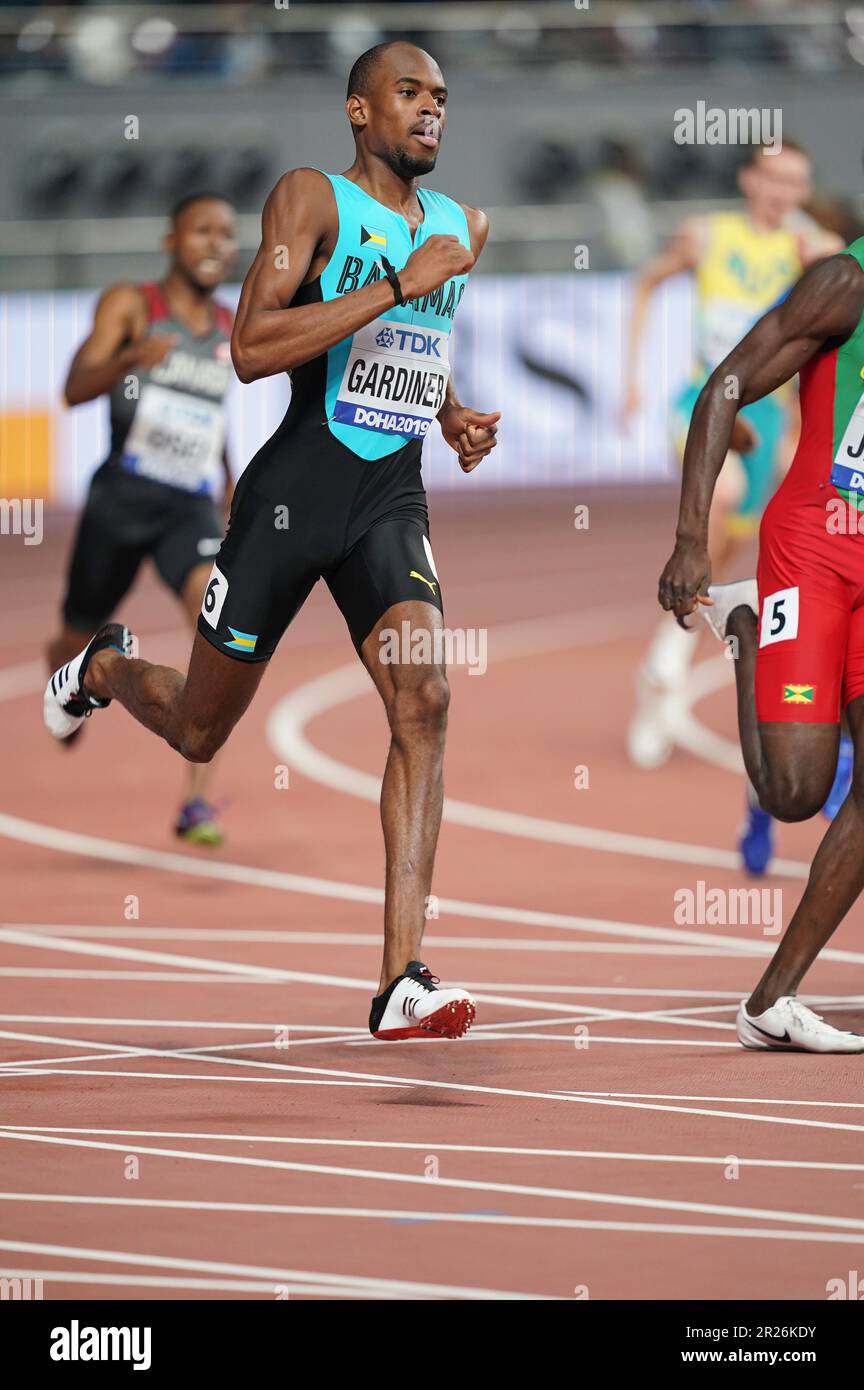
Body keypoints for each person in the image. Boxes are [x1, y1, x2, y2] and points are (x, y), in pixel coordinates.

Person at [43, 41, 500, 1041]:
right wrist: (392, 285)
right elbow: (251, 347)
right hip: (289, 500)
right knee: (202, 730)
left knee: (424, 697)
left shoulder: (462, 226)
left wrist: (453, 411)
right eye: (409, 94)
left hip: (390, 498)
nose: (430, 112)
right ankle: (111, 668)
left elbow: (413, 342)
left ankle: (400, 978)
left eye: (441, 99)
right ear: (357, 110)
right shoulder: (311, 201)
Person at [658, 232, 864, 1053]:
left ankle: (771, 1001)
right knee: (792, 793)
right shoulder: (845, 282)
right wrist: (691, 540)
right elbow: (727, 385)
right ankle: (745, 629)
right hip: (813, 551)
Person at [622, 141, 842, 874]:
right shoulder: (707, 235)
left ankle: (678, 659)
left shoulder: (813, 248)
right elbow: (649, 284)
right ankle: (667, 655)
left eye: (797, 182)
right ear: (750, 180)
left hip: (776, 412)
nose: (784, 191)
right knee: (726, 497)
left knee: (777, 539)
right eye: (774, 177)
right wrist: (632, 376)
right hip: (710, 398)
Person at [48, 192, 238, 845]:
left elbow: (207, 413)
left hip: (186, 504)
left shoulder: (226, 323)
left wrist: (231, 476)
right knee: (74, 635)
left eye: (226, 234)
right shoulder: (131, 305)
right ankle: (72, 674)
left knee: (217, 618)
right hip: (120, 500)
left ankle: (196, 802)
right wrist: (131, 358)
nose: (215, 243)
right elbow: (73, 388)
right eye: (201, 231)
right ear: (170, 242)